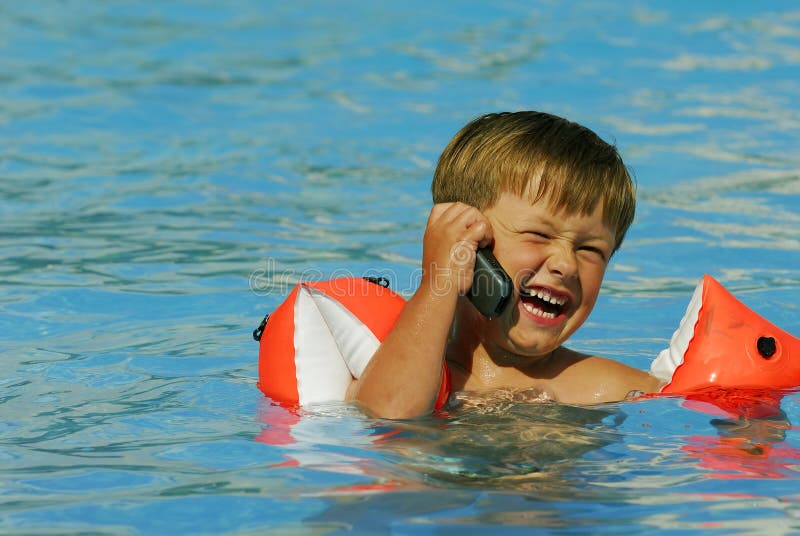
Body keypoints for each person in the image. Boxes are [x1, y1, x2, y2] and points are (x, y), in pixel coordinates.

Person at [347, 111, 663, 418]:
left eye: (590, 249)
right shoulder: (393, 373)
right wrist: (440, 280)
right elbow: (389, 417)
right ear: (468, 240)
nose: (566, 264)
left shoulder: (614, 389)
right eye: (539, 235)